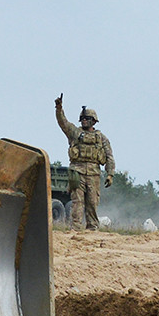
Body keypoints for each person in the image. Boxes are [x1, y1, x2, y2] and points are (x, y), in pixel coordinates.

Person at [54, 96, 114, 231]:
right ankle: (75, 228)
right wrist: (59, 109)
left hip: (94, 174)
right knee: (77, 202)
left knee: (92, 202)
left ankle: (92, 228)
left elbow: (109, 156)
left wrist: (110, 174)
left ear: (94, 121)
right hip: (77, 172)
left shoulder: (101, 138)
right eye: (83, 118)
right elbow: (63, 122)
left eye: (87, 118)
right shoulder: (75, 133)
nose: (84, 120)